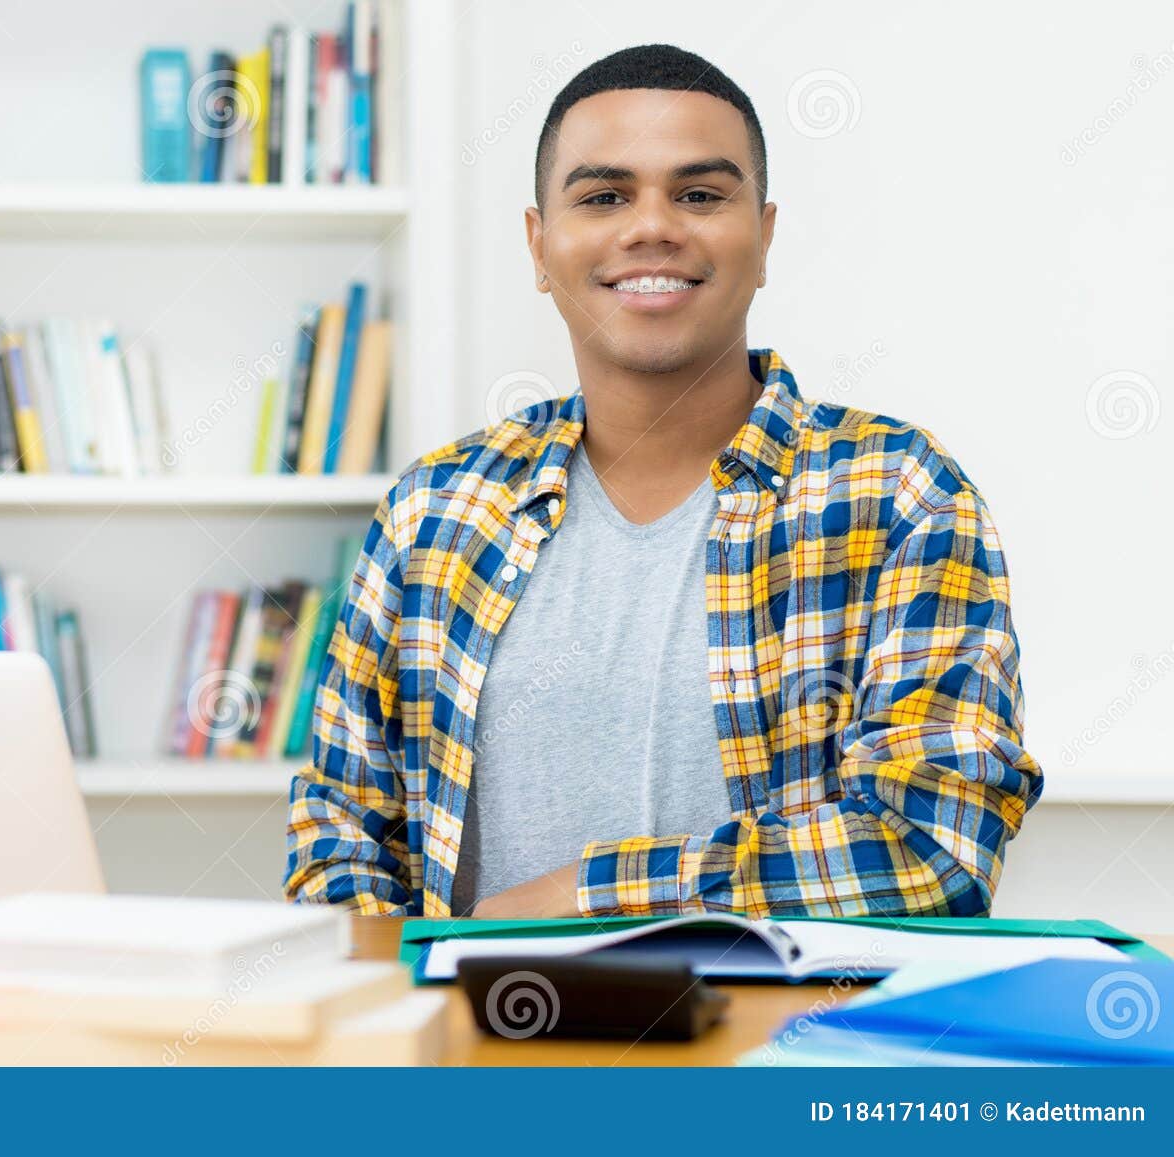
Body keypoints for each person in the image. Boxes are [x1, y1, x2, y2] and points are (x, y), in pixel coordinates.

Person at [283, 43, 1040, 919]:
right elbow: (340, 834)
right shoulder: (433, 511)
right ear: (540, 245)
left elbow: (931, 847)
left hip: (789, 1050)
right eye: (604, 196)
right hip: (475, 1045)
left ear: (763, 237)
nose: (652, 226)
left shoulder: (902, 494)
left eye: (701, 195)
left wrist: (580, 893)